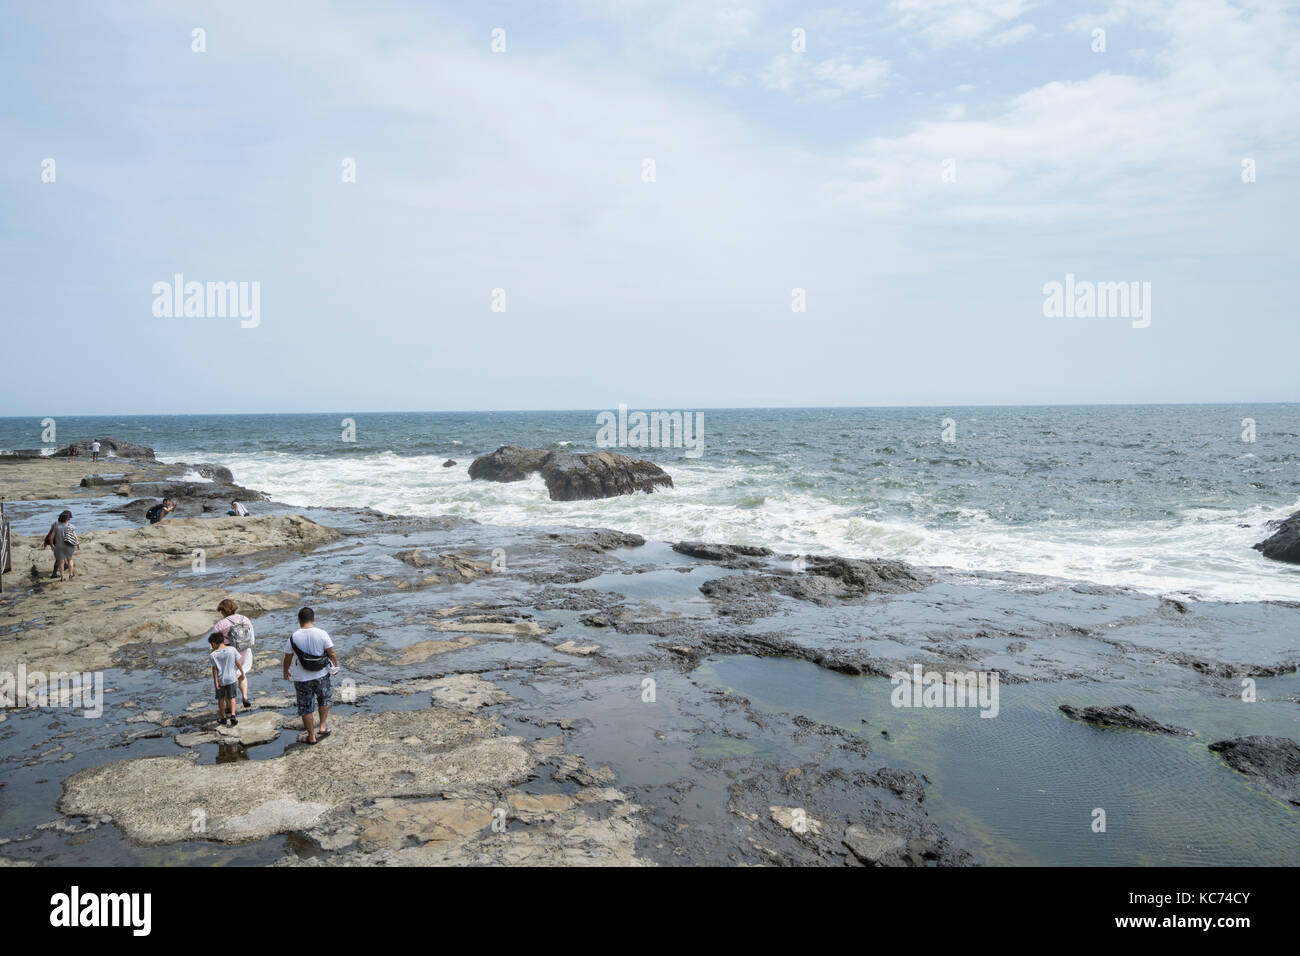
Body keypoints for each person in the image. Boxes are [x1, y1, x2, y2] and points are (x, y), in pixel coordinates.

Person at [283, 607, 339, 745]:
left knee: (305, 707)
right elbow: (331, 653)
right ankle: (323, 726)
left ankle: (311, 736)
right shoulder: (322, 633)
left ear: (299, 620)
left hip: (301, 678)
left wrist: (285, 671)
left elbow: (287, 658)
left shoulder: (293, 637)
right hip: (321, 674)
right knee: (324, 699)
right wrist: (335, 667)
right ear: (313, 619)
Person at [211, 598, 255, 708]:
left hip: (228, 656)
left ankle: (228, 707)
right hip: (245, 652)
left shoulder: (220, 625)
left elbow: (214, 645)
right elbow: (252, 638)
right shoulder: (245, 619)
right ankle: (245, 697)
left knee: (226, 683)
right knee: (242, 675)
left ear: (223, 611)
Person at [208, 632, 244, 727]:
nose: (211, 646)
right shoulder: (232, 649)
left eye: (211, 644)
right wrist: (242, 673)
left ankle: (223, 718)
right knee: (232, 698)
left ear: (215, 643)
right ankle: (233, 716)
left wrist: (216, 682)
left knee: (221, 699)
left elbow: (214, 670)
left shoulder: (213, 655)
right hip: (232, 678)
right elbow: (238, 663)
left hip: (221, 680)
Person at [44, 510, 79, 581]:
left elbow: (51, 537)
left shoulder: (56, 526)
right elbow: (75, 536)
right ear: (67, 518)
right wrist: (77, 544)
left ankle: (62, 577)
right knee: (70, 560)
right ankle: (71, 574)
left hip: (59, 545)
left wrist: (51, 545)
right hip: (69, 545)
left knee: (60, 561)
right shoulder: (71, 526)